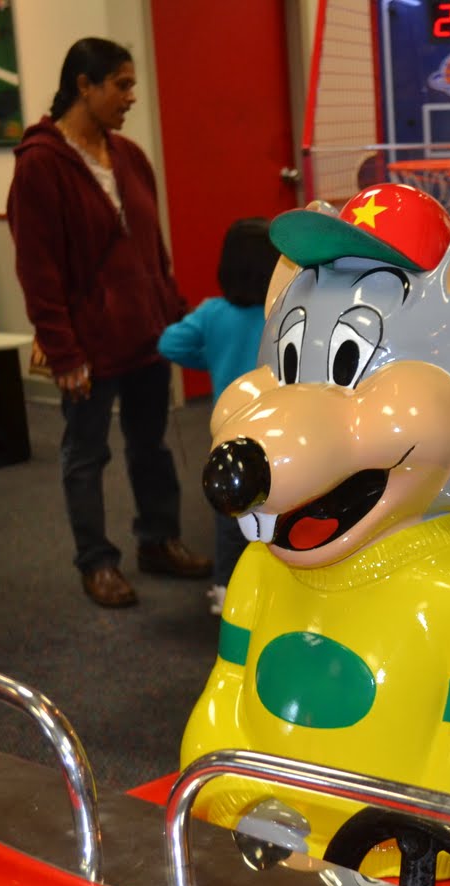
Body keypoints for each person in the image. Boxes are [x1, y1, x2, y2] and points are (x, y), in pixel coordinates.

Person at [7, 37, 210, 609]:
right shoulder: (40, 166)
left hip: (145, 334)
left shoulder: (131, 157)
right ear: (84, 86)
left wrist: (173, 313)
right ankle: (96, 562)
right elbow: (37, 271)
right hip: (88, 348)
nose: (131, 96)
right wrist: (64, 353)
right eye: (120, 84)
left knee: (151, 444)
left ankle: (157, 540)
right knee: (86, 453)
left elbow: (153, 249)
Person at [158, 218, 282, 615]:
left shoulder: (213, 313)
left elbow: (169, 342)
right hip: (278, 430)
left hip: (229, 434)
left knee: (233, 517)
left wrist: (211, 357)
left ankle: (226, 592)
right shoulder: (278, 314)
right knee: (277, 511)